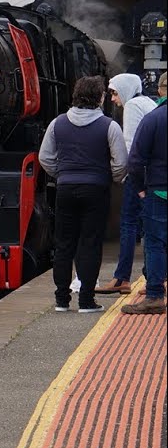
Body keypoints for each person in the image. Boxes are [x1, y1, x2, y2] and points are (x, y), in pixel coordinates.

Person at [39, 76, 127, 314]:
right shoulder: (109, 126)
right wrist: (110, 178)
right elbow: (121, 162)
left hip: (66, 189)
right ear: (99, 98)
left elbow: (45, 157)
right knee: (90, 243)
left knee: (64, 243)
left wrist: (63, 174)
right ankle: (86, 301)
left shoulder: (57, 124)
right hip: (96, 190)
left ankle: (61, 300)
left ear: (76, 96)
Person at [97, 73, 159, 295]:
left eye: (114, 93)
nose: (113, 99)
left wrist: (122, 174)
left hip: (139, 174)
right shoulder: (148, 102)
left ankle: (122, 278)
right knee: (150, 227)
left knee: (128, 223)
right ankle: (153, 276)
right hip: (153, 173)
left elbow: (130, 144)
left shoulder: (132, 105)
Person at [122, 74, 166, 315]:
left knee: (156, 243)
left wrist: (139, 188)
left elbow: (135, 161)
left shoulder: (152, 119)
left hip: (158, 190)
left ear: (160, 91)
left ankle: (155, 296)